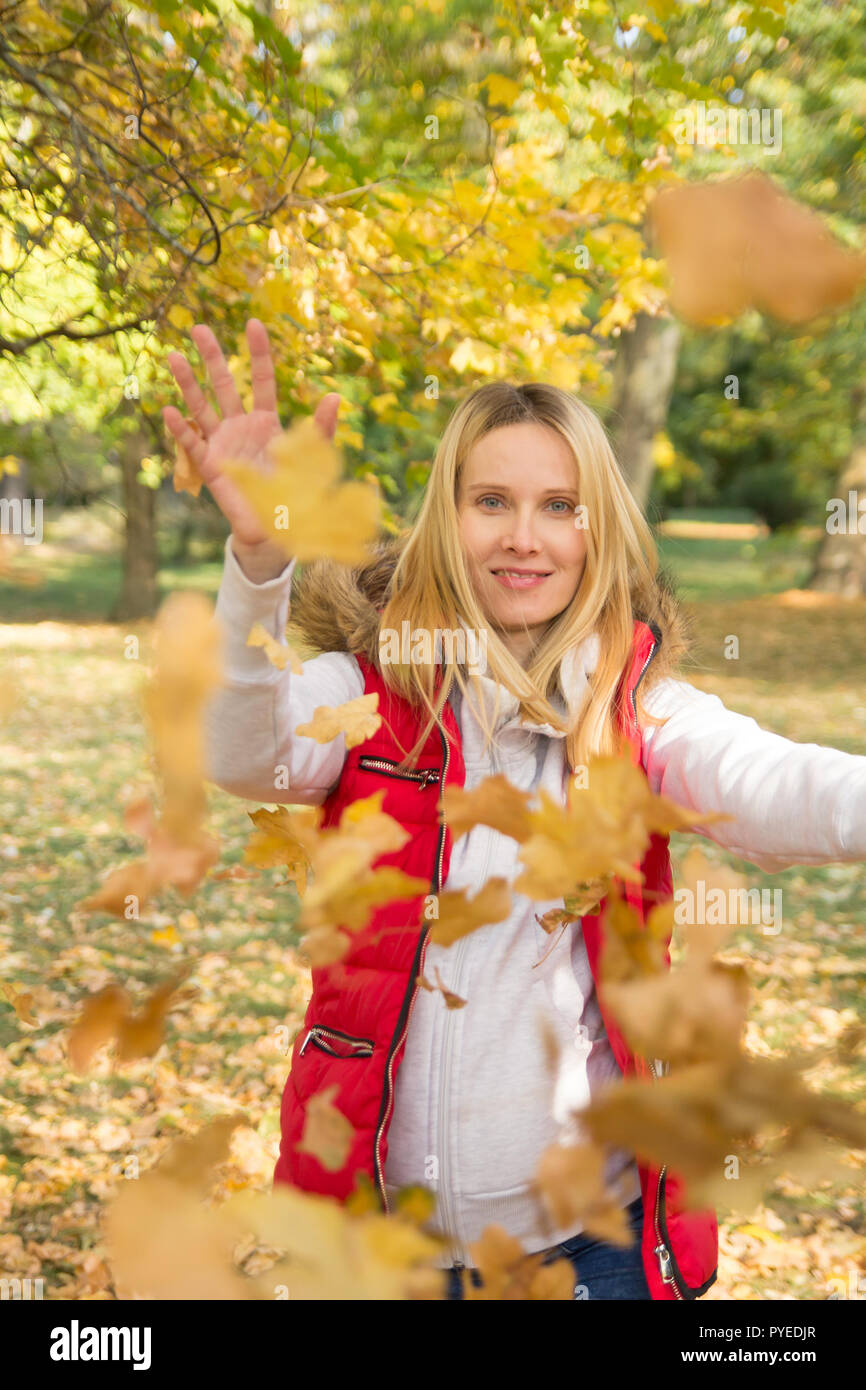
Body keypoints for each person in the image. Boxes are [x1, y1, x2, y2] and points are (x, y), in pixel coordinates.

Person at [164, 319, 866, 1301]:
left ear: (596, 528)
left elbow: (776, 784)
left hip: (587, 1253)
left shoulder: (635, 713)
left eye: (557, 506)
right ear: (445, 517)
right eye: (490, 500)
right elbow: (239, 753)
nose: (522, 536)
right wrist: (257, 564)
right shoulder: (373, 692)